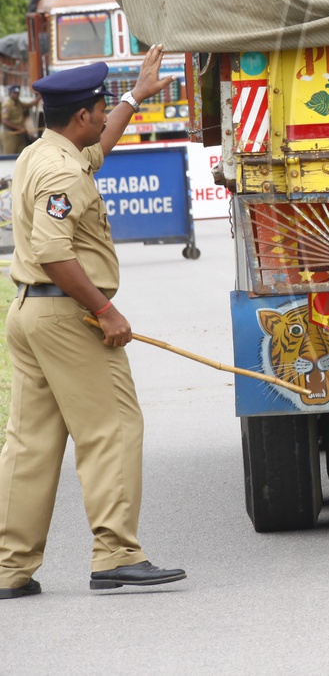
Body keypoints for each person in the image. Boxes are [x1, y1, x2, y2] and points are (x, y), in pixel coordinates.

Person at [0, 46, 188, 599]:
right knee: (113, 428)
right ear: (80, 116)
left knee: (30, 445)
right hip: (67, 315)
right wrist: (105, 311)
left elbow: (95, 152)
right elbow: (57, 252)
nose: (106, 114)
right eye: (103, 106)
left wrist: (135, 97)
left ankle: (9, 567)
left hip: (31, 312)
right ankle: (117, 555)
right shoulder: (60, 172)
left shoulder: (43, 154)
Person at [1, 85, 34, 154]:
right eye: (14, 93)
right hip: (10, 134)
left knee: (22, 155)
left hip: (19, 134)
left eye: (17, 93)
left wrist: (39, 97)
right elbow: (4, 121)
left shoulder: (18, 103)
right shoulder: (7, 104)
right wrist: (19, 128)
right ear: (10, 93)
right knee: (9, 156)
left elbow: (29, 105)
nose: (16, 95)